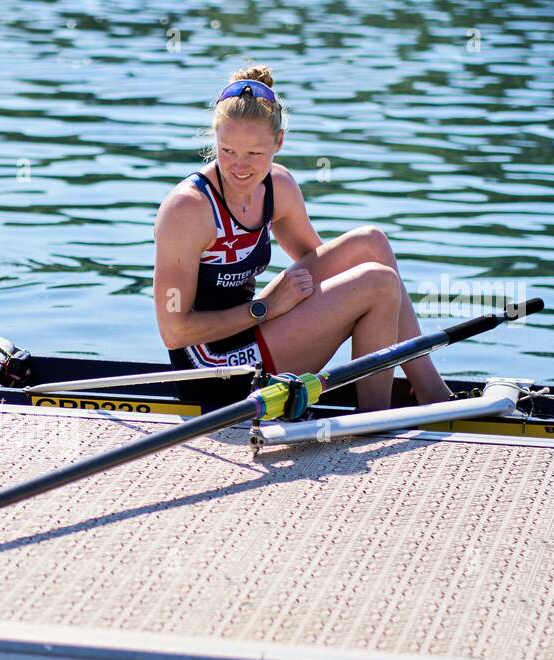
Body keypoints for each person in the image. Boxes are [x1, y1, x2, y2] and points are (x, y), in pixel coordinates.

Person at [153, 65, 453, 410]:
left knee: (372, 243)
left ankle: (429, 389)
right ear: (215, 139)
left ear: (278, 142)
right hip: (211, 371)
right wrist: (265, 309)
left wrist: (335, 310)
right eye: (227, 151)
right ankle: (374, 417)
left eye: (254, 154)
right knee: (379, 283)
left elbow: (329, 271)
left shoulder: (278, 186)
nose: (239, 167)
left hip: (253, 326)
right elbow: (173, 332)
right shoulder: (187, 209)